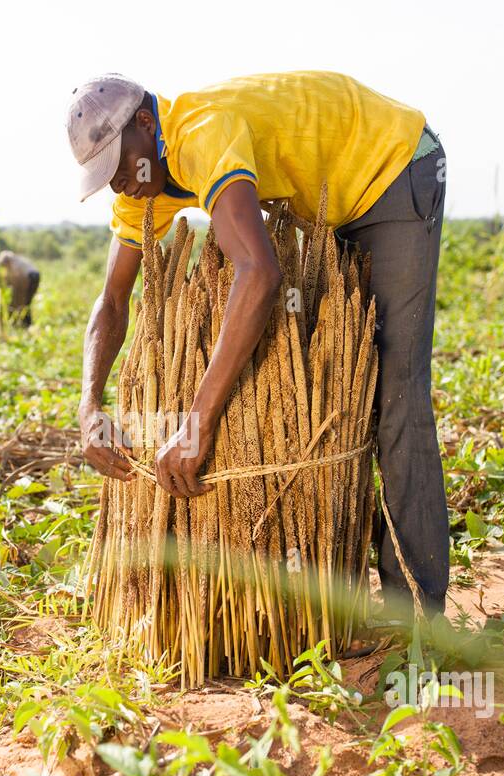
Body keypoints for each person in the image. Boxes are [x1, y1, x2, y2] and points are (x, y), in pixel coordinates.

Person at [66, 70, 449, 618]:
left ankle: (417, 612)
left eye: (118, 167)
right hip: (332, 201)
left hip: (392, 166)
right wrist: (88, 405)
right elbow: (112, 302)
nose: (119, 185)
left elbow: (259, 273)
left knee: (394, 392)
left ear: (146, 124)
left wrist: (196, 423)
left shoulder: (202, 133)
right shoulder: (143, 182)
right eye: (104, 178)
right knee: (342, 387)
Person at [0, 250, 41, 325]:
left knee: (25, 302)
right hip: (33, 276)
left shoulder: (15, 265)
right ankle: (22, 323)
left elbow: (19, 282)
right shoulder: (16, 262)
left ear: (7, 261)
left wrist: (18, 298)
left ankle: (25, 324)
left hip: (32, 277)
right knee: (24, 302)